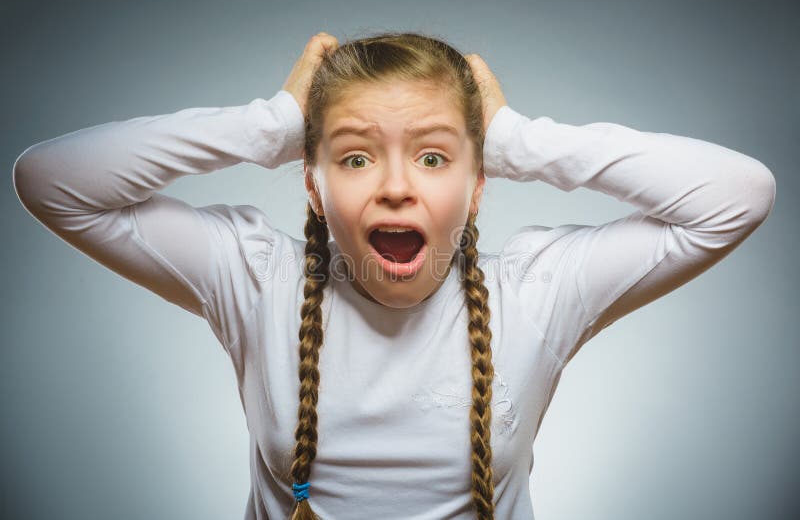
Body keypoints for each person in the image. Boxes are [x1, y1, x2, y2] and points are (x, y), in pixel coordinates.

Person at [12, 31, 776, 520]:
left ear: (480, 188)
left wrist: (516, 138)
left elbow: (737, 196)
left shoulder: (537, 295)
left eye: (435, 157)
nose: (397, 186)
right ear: (311, 186)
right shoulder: (255, 281)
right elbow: (52, 180)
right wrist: (271, 123)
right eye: (353, 157)